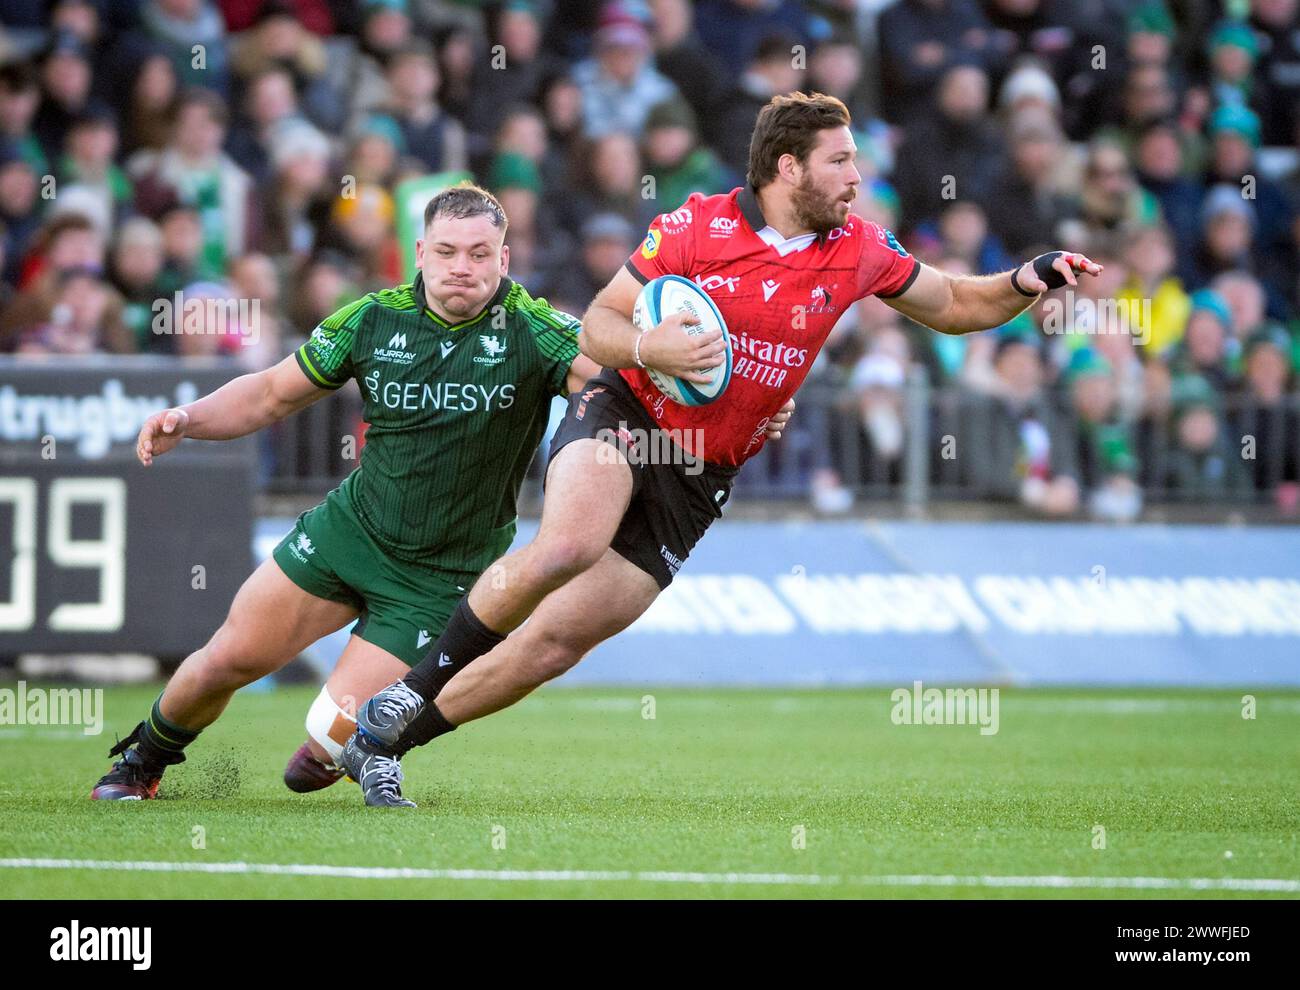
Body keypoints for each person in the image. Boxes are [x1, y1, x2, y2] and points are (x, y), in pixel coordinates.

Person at [342, 91, 1102, 807]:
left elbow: (958, 304)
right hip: (626, 412)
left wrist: (1029, 276)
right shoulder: (694, 227)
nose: (857, 177)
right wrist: (649, 346)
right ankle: (410, 687)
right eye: (841, 161)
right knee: (570, 544)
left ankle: (385, 742)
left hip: (702, 475)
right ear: (789, 168)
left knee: (555, 645)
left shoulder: (859, 248)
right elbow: (598, 326)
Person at [89, 183, 607, 800]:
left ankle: (331, 751)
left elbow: (617, 390)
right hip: (349, 534)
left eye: (478, 253)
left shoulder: (537, 330)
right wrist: (190, 419)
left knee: (332, 739)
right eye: (446, 251)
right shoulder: (371, 317)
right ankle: (142, 760)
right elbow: (271, 393)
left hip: (440, 577)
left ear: (504, 260)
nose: (461, 268)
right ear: (420, 252)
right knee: (228, 659)